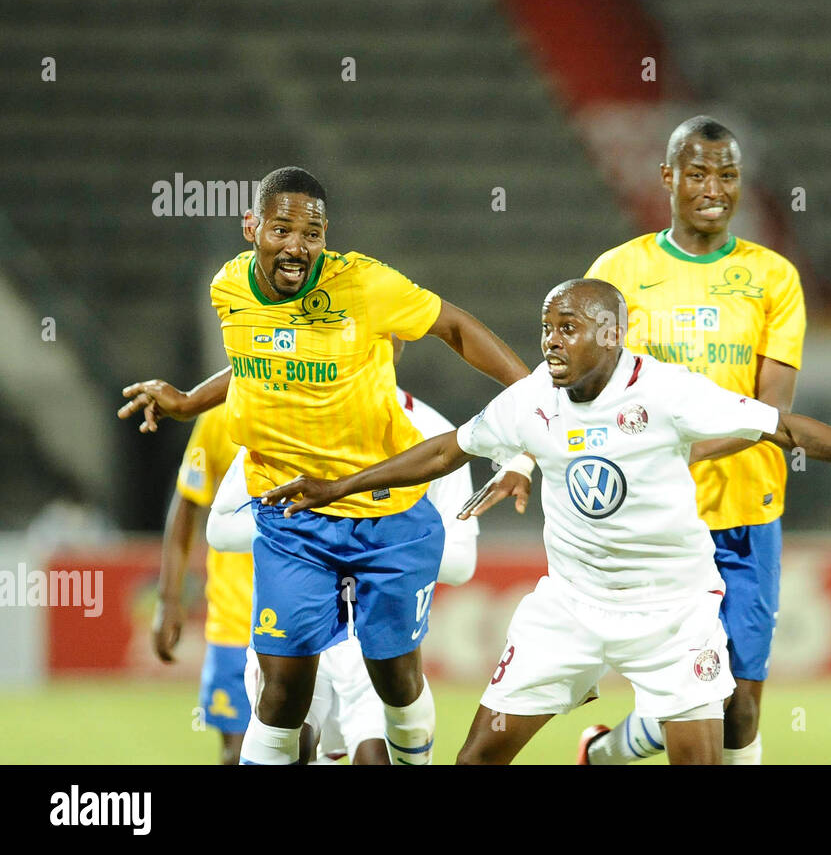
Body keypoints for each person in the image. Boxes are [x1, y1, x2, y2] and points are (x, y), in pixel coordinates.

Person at [259, 278, 831, 766]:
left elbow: (784, 428)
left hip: (673, 613)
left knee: (704, 754)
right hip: (568, 609)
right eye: (545, 328)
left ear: (610, 331)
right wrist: (340, 484)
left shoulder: (666, 392)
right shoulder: (533, 398)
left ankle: (607, 749)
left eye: (566, 327)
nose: (550, 342)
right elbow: (449, 447)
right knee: (478, 755)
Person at [118, 166, 532, 765]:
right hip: (293, 516)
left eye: (311, 234)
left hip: (384, 513)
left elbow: (456, 328)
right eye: (281, 229)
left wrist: (534, 402)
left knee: (397, 681)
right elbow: (253, 359)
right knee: (283, 694)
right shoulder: (229, 288)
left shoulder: (363, 285)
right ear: (251, 226)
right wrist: (186, 402)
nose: (297, 246)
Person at [577, 115, 803, 764]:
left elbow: (771, 410)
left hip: (746, 515)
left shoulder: (774, 278)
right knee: (694, 698)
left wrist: (678, 451)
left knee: (739, 707)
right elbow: (588, 393)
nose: (714, 188)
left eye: (728, 175)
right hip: (656, 521)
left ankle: (609, 752)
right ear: (667, 177)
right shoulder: (617, 271)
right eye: (698, 172)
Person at [208, 374, 485, 764]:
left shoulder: (431, 431)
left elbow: (462, 561)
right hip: (300, 614)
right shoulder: (283, 422)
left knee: (375, 756)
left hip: (371, 634)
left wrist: (385, 549)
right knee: (294, 741)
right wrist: (308, 533)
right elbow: (218, 528)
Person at [153, 402, 249, 765]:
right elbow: (188, 499)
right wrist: (168, 599)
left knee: (305, 748)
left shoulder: (316, 400)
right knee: (236, 754)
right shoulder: (219, 415)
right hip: (233, 618)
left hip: (303, 614)